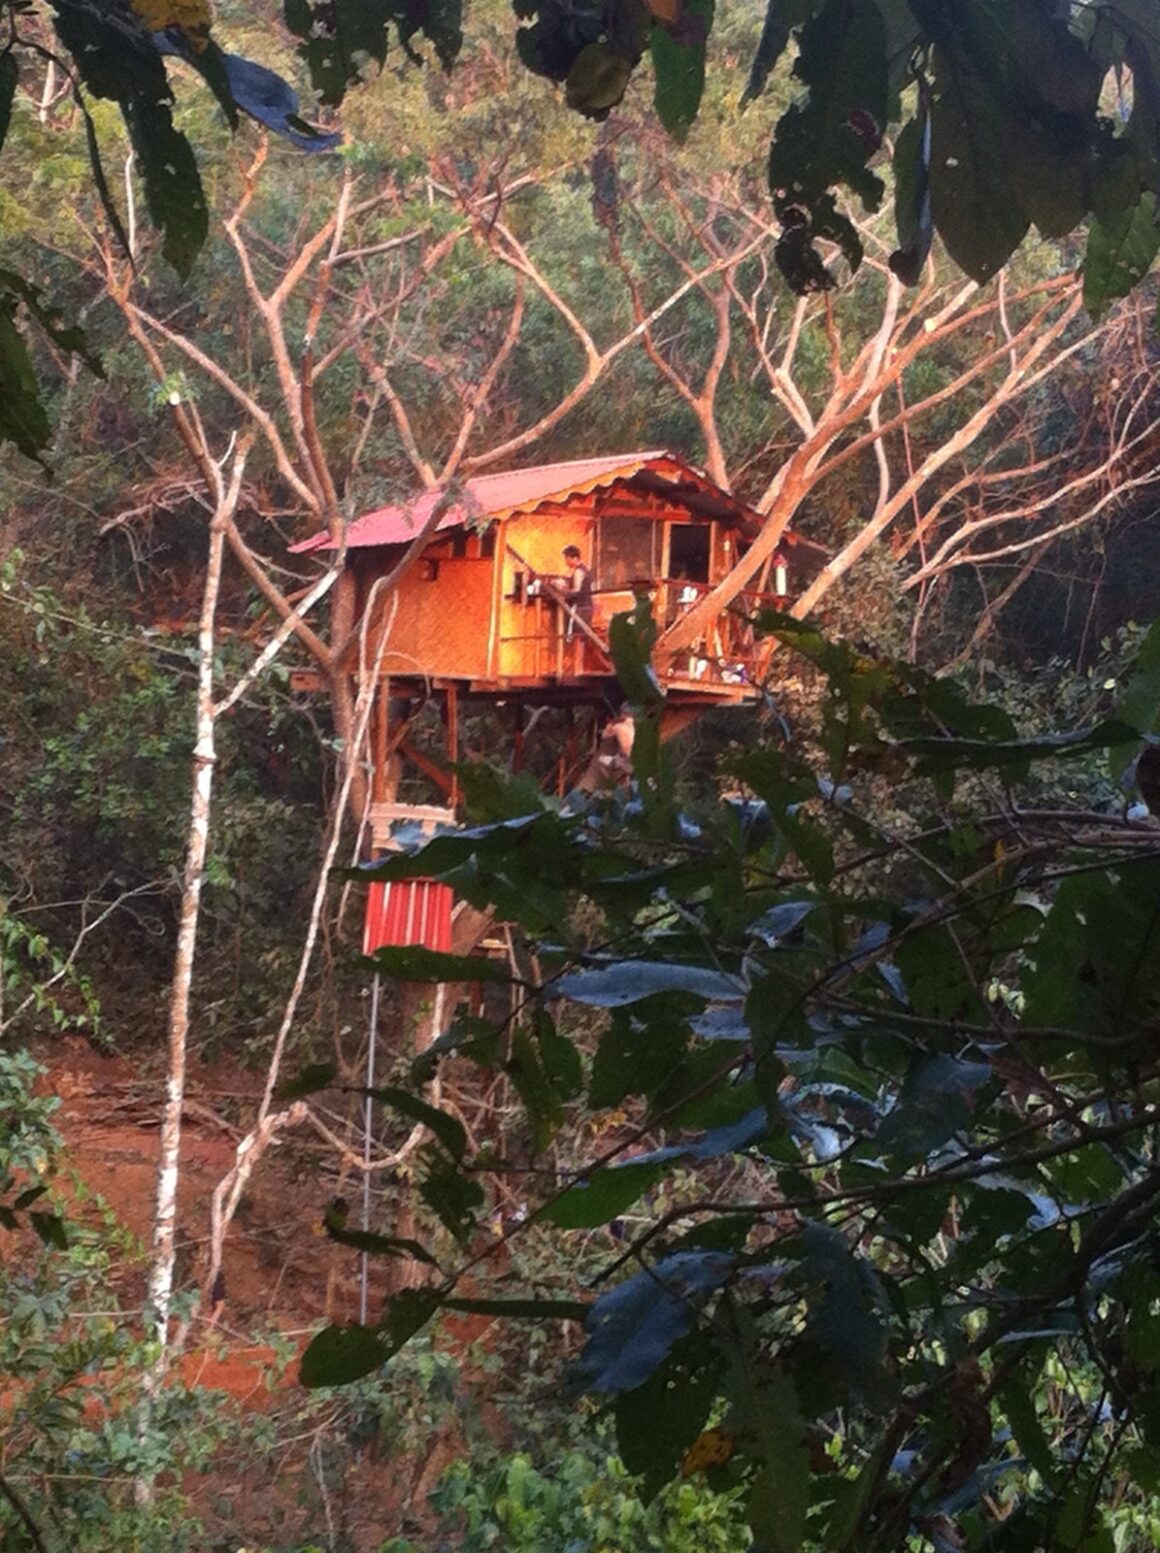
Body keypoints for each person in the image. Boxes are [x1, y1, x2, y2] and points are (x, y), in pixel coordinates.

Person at [561, 545, 593, 639]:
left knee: (577, 636)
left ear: (574, 558)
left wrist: (563, 590)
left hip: (580, 607)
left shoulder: (578, 572)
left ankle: (576, 653)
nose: (566, 562)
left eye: (567, 559)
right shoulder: (586, 570)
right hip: (587, 606)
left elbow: (576, 591)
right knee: (582, 636)